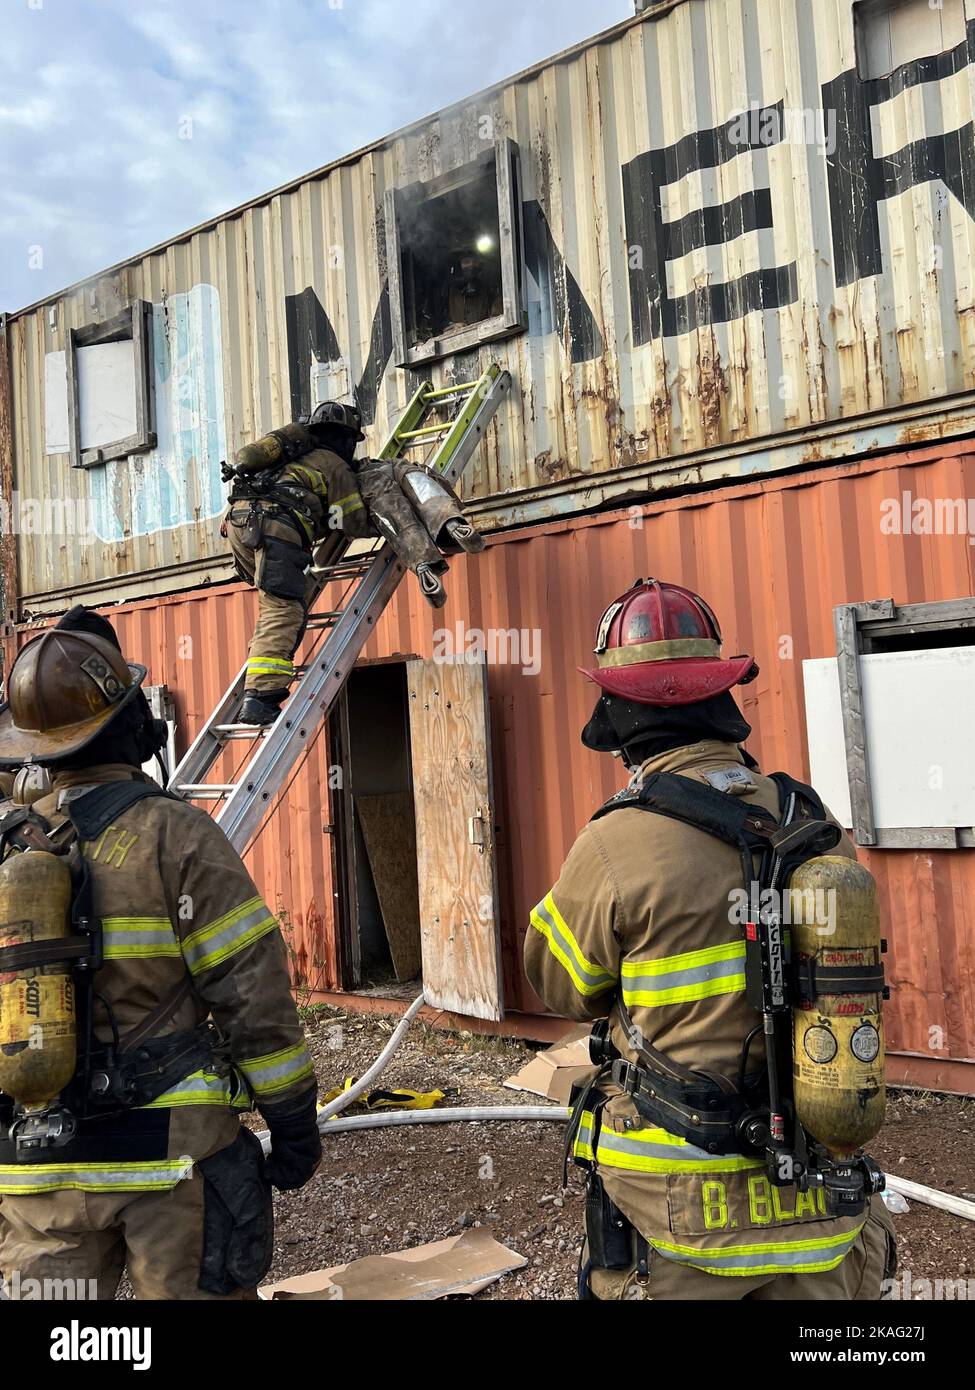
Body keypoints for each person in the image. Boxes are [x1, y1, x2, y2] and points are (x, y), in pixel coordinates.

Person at [524, 578, 896, 1301]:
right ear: (721, 705)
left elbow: (561, 986)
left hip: (677, 1220)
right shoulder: (816, 824)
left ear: (619, 719)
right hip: (823, 1212)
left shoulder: (613, 843)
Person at [0, 607, 321, 1300]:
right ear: (131, 723)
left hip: (35, 1167)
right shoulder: (175, 835)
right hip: (169, 1160)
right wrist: (292, 1120)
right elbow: (252, 996)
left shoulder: (9, 850)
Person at [223, 400, 373, 726]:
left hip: (239, 526)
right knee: (284, 608)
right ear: (347, 439)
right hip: (276, 527)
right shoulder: (335, 465)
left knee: (275, 602)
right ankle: (260, 699)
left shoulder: (288, 455)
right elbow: (354, 522)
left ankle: (260, 677)